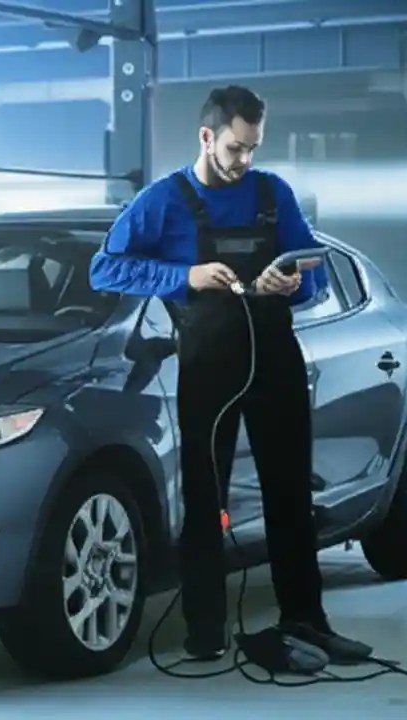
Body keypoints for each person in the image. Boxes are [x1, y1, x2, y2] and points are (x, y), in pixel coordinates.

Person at [89, 85, 372, 664]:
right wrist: (185, 278)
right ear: (207, 137)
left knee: (290, 494)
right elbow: (105, 267)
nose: (245, 161)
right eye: (236, 148)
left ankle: (306, 621)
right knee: (205, 498)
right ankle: (205, 632)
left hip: (274, 358)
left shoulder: (274, 193)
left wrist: (294, 283)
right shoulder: (161, 201)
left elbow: (313, 268)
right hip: (209, 364)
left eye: (253, 149)